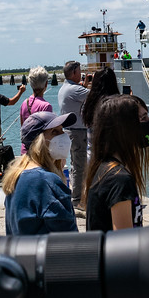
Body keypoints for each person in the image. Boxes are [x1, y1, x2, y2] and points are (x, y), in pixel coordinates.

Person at [84, 96, 149, 231]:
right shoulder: (119, 179)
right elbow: (124, 244)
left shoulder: (104, 168)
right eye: (143, 118)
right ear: (125, 128)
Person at [3, 111, 78, 235]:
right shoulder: (47, 181)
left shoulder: (17, 175)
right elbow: (68, 238)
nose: (63, 136)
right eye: (55, 132)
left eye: (62, 130)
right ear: (39, 141)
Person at [56, 62, 90, 197]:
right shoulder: (75, 89)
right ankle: (77, 198)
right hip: (78, 131)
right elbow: (95, 96)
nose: (81, 74)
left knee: (75, 165)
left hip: (70, 130)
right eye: (80, 71)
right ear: (74, 73)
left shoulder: (65, 87)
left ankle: (76, 195)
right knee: (79, 166)